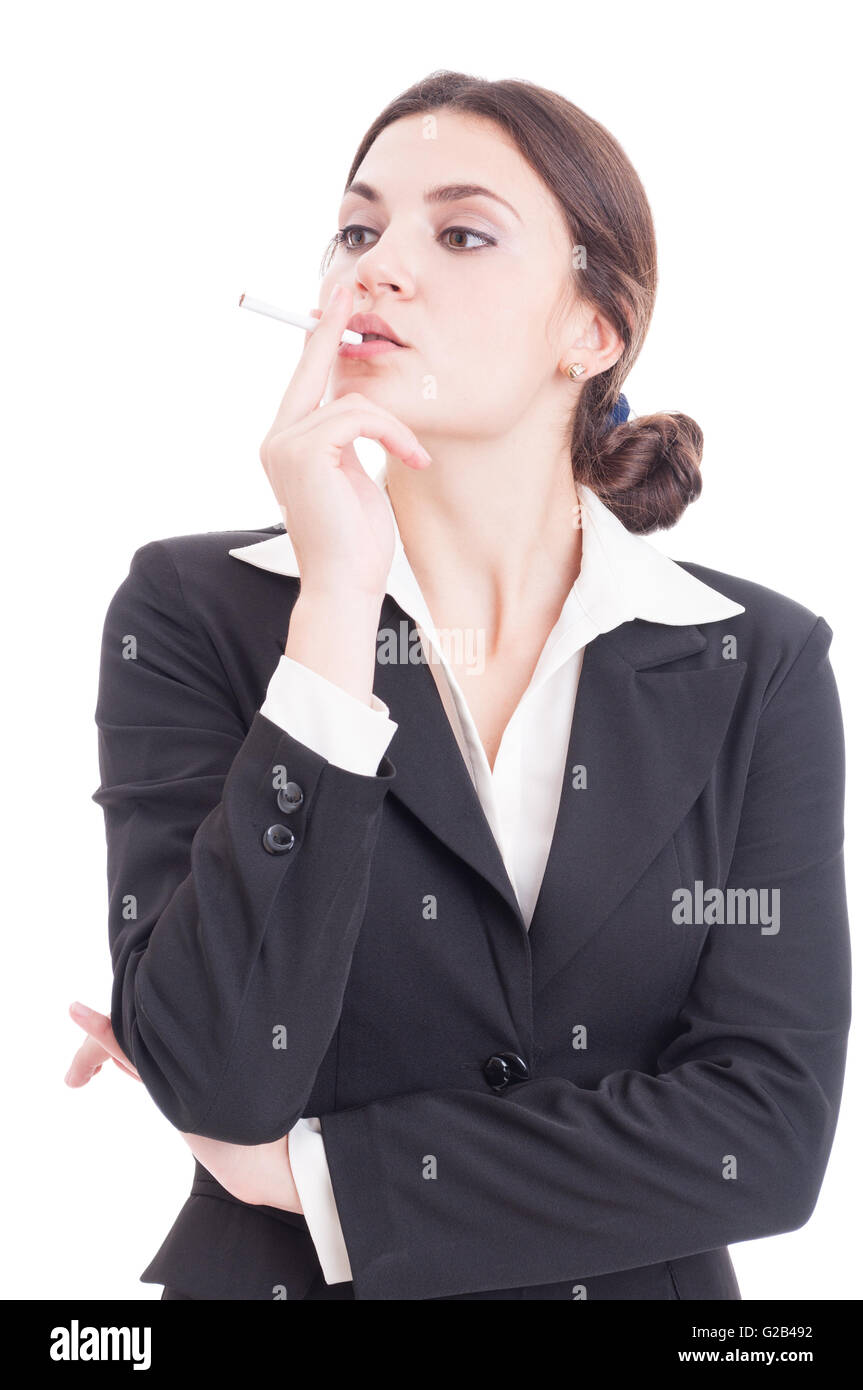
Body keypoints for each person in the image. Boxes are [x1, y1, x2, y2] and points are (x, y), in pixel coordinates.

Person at [66, 71, 850, 1302]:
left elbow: (762, 1135)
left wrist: (319, 1177)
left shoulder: (754, 658)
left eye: (461, 232)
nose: (377, 267)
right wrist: (331, 606)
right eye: (358, 229)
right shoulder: (192, 611)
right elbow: (220, 1072)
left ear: (591, 330)